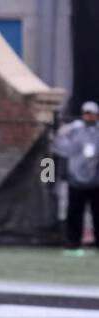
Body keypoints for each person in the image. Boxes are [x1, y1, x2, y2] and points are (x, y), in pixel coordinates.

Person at [55, 99, 99, 253]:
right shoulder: (74, 130)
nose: (89, 117)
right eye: (86, 113)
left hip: (96, 181)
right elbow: (59, 146)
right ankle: (73, 243)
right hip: (76, 180)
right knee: (74, 213)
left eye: (92, 114)